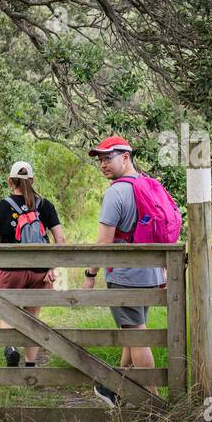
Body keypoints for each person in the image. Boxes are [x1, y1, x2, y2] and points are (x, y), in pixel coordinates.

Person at [84, 136, 166, 407]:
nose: (103, 164)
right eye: (100, 159)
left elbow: (104, 243)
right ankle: (117, 388)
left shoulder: (116, 192)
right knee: (132, 332)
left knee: (137, 337)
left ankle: (154, 403)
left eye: (108, 158)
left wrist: (90, 274)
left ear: (126, 157)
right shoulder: (149, 184)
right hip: (150, 274)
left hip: (126, 276)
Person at [0, 160, 66, 368]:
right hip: (40, 273)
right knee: (33, 318)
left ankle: (11, 348)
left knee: (7, 312)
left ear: (10, 180)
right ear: (32, 180)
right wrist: (52, 269)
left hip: (10, 272)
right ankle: (30, 365)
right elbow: (61, 240)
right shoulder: (46, 206)